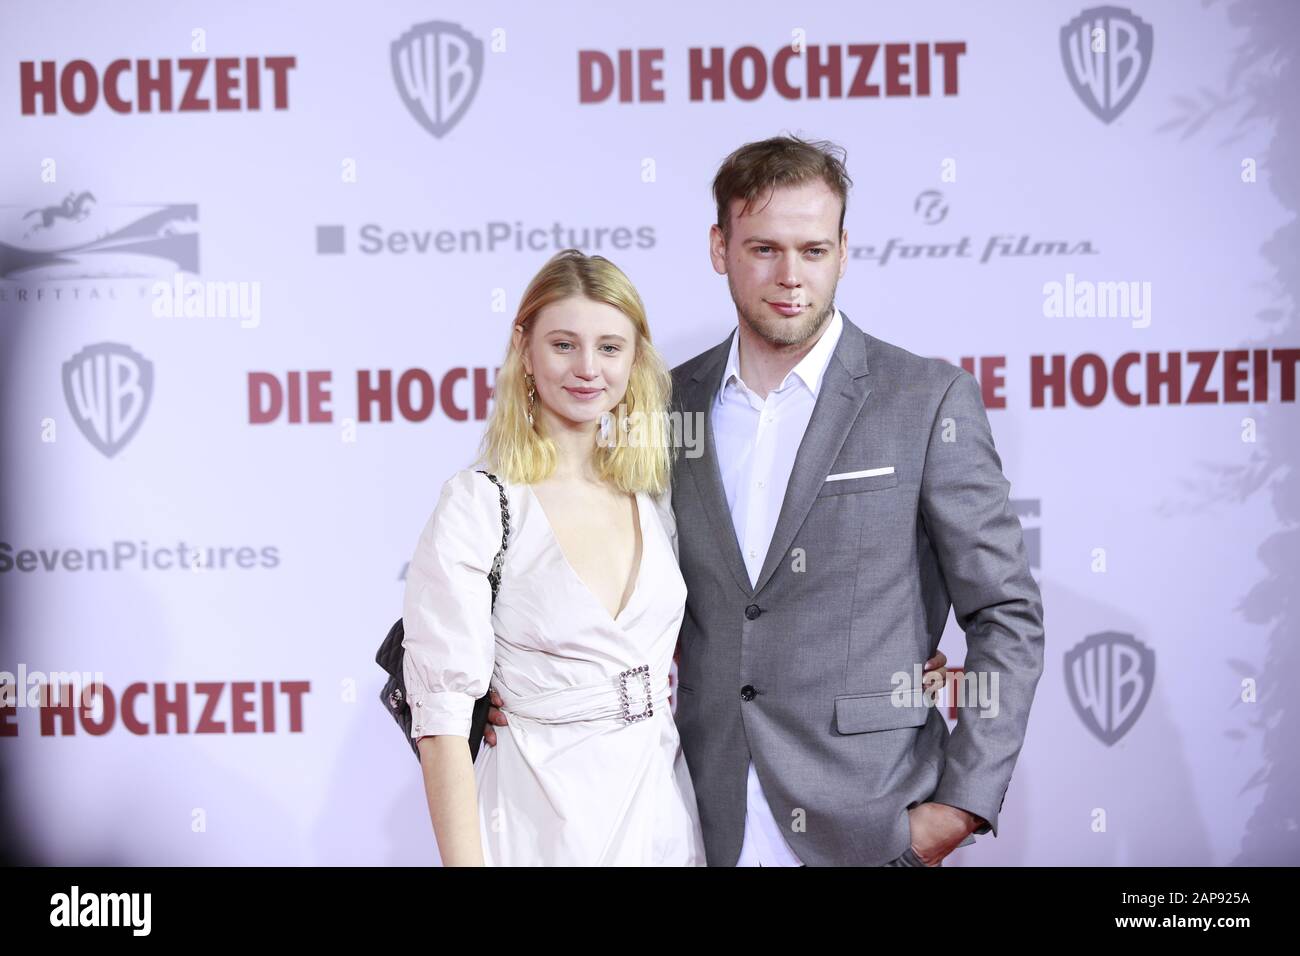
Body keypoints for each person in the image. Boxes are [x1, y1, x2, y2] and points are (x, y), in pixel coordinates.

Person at [484, 135, 1043, 867]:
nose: (790, 277)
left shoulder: (924, 400)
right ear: (720, 248)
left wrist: (963, 804)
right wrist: (487, 687)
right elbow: (544, 538)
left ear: (844, 250)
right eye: (764, 249)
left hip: (872, 820)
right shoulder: (660, 405)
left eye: (813, 250)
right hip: (695, 816)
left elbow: (1006, 613)